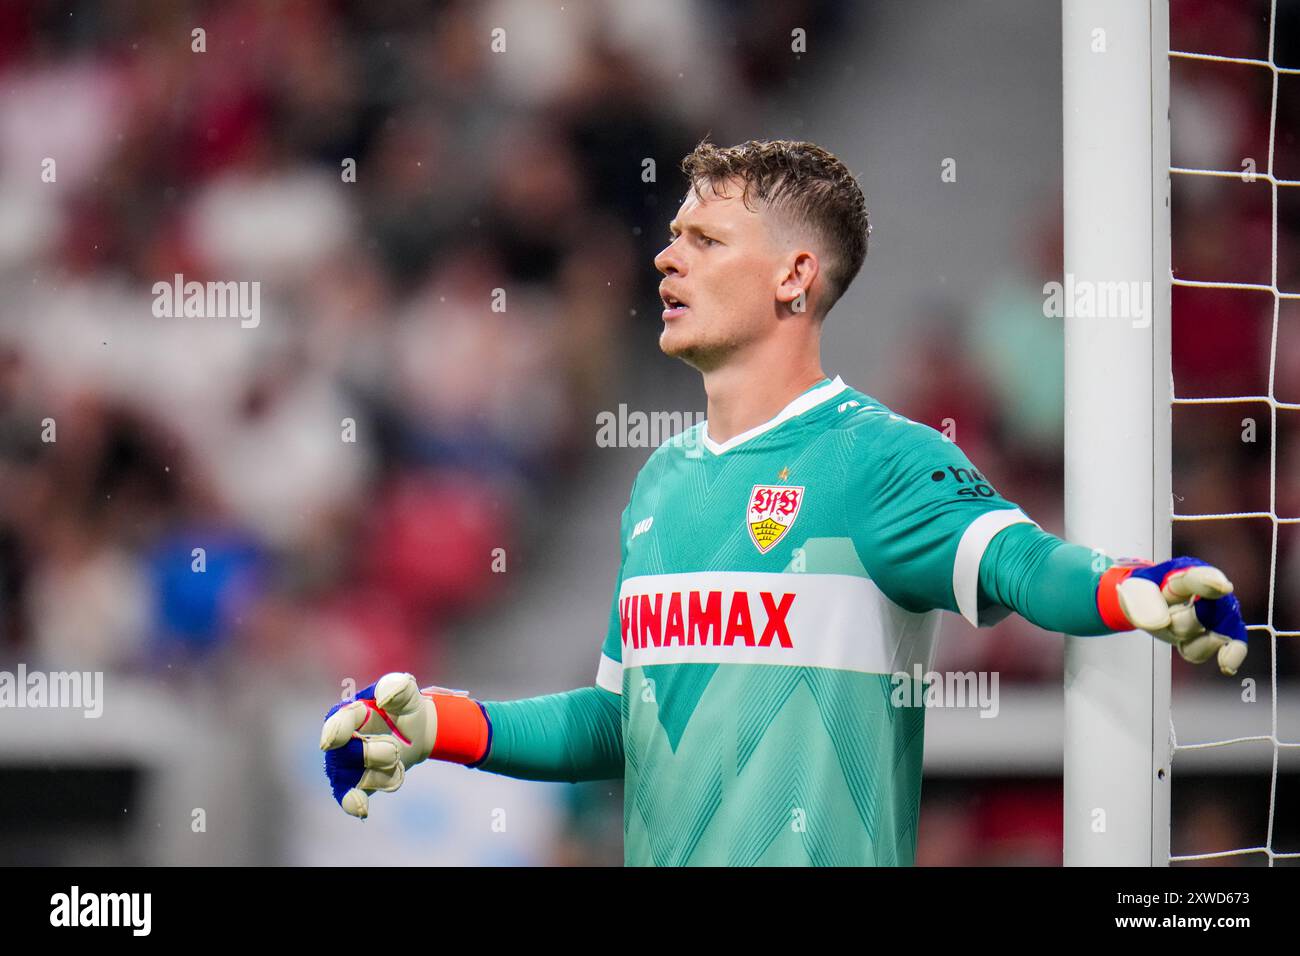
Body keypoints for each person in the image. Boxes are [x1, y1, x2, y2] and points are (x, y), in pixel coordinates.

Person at [319, 139, 1248, 866]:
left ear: (794, 277)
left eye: (704, 241)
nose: (664, 260)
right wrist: (438, 725)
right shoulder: (659, 484)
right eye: (674, 234)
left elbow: (1018, 561)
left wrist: (1129, 587)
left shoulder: (879, 460)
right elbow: (618, 722)